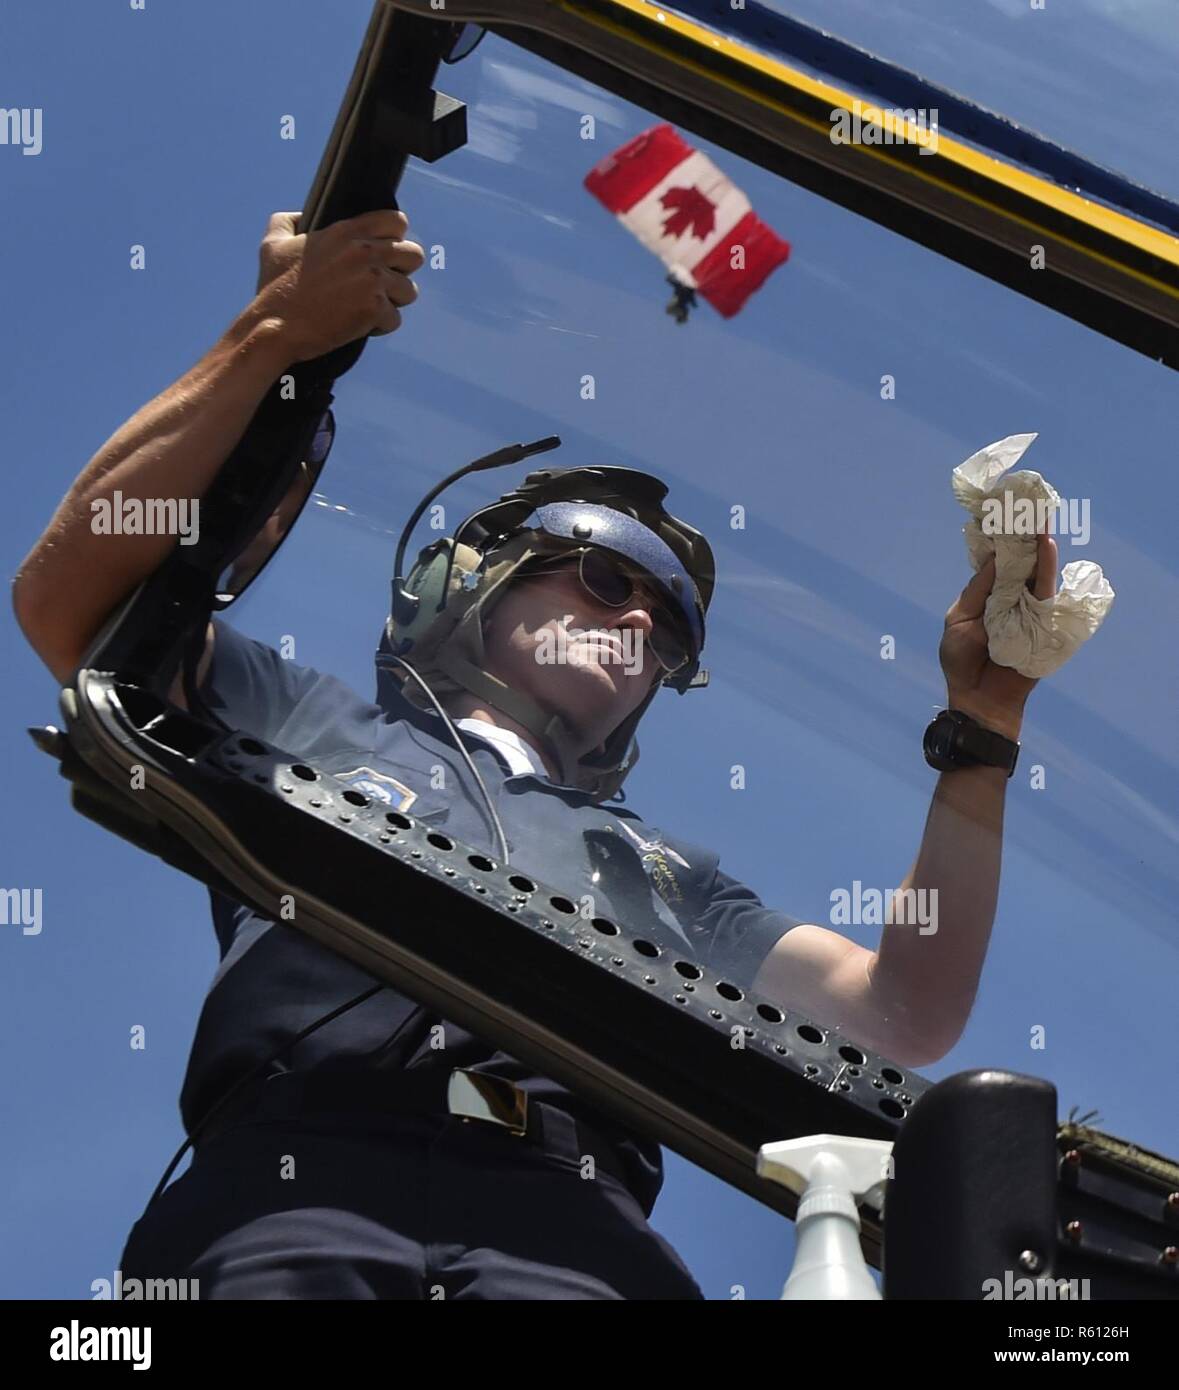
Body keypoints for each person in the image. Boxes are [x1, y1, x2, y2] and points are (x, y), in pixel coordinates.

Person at [13, 209, 1057, 1300]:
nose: (641, 626)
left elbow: (900, 1015)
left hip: (575, 1236)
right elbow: (66, 602)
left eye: (671, 627)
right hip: (290, 1193)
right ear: (467, 586)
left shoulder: (666, 878)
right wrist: (272, 333)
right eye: (607, 579)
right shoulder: (303, 723)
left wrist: (981, 731)